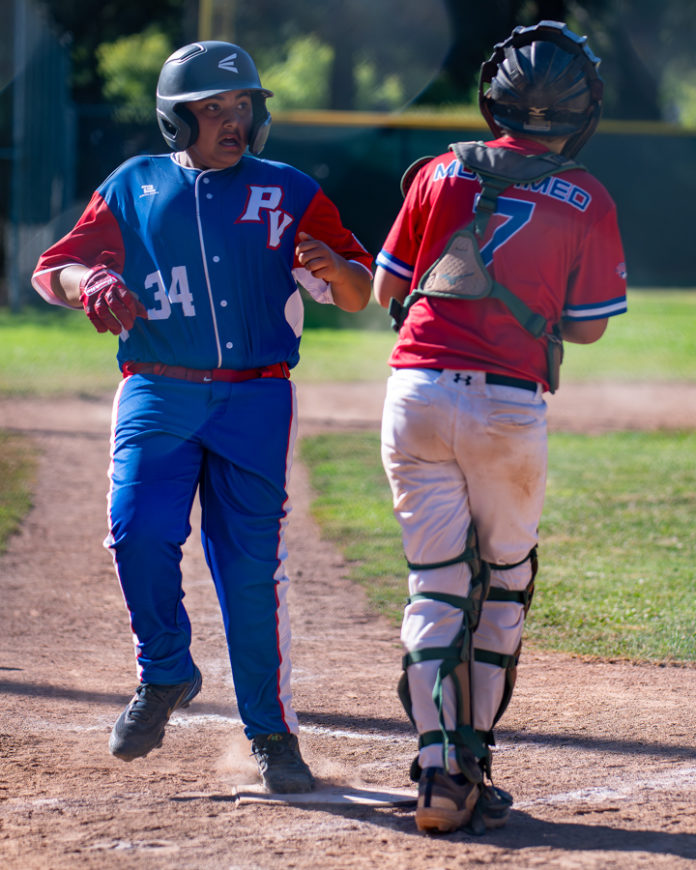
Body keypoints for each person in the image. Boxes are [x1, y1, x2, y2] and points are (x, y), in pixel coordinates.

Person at [31, 40, 372, 794]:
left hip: (256, 396)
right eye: (212, 109)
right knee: (136, 529)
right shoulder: (134, 185)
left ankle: (272, 735)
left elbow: (358, 293)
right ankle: (166, 672)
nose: (232, 121)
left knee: (249, 572)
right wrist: (92, 279)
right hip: (158, 388)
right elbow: (51, 269)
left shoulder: (288, 190)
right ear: (174, 119)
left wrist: (335, 269)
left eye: (242, 105)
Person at [373, 21, 627, 834]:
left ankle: (439, 772)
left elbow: (389, 290)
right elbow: (588, 328)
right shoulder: (587, 194)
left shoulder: (438, 169)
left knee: (437, 584)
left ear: (495, 98)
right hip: (507, 407)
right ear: (583, 109)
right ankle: (475, 751)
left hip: (414, 395)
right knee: (505, 578)